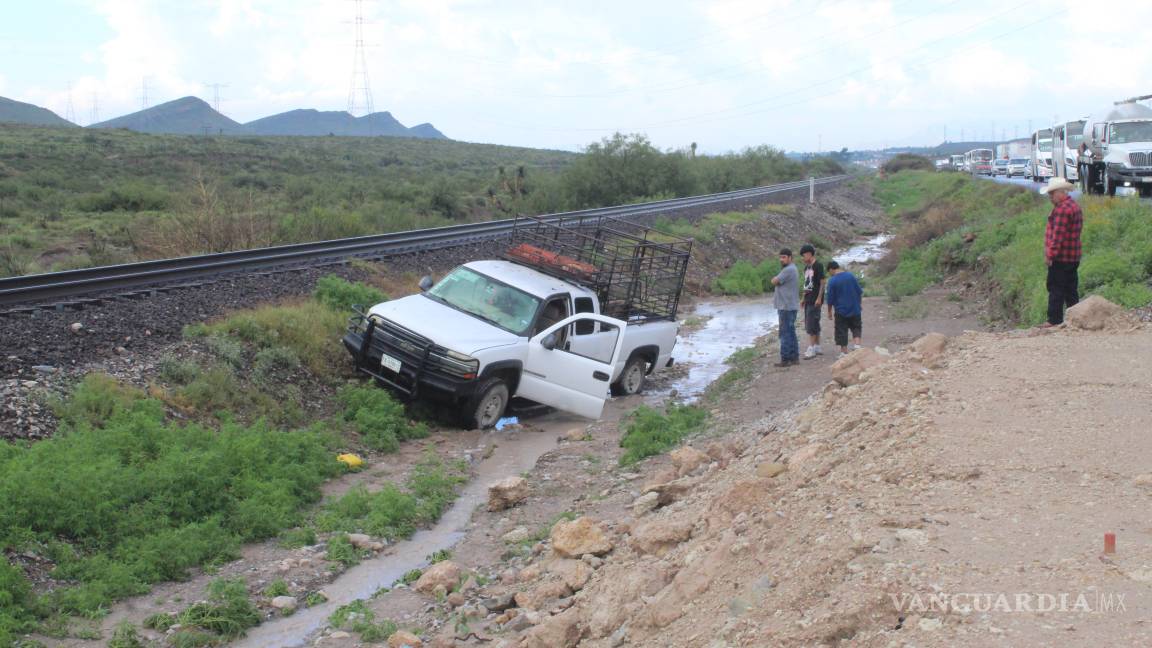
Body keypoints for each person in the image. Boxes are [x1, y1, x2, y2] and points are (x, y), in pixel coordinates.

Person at [1039, 177, 1082, 327]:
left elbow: (1057, 237)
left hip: (1061, 257)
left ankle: (1054, 320)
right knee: (1071, 288)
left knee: (1055, 287)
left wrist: (1050, 254)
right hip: (1073, 256)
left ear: (1060, 192)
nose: (1050, 197)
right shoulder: (1074, 206)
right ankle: (1075, 318)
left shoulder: (1062, 210)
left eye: (1052, 194)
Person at [824, 261, 863, 358]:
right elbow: (859, 291)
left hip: (841, 310)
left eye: (829, 272)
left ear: (831, 269)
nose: (830, 274)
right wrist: (859, 304)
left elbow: (830, 299)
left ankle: (844, 352)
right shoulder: (850, 276)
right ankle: (857, 345)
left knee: (841, 330)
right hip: (854, 307)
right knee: (856, 326)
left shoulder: (832, 281)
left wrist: (829, 311)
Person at [770, 248, 800, 367]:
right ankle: (794, 358)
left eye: (784, 257)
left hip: (786, 307)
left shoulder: (788, 270)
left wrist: (774, 279)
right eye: (780, 257)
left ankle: (785, 359)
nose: (781, 259)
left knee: (785, 333)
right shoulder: (792, 269)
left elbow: (774, 281)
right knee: (791, 332)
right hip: (790, 306)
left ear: (790, 258)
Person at [799, 244, 825, 359]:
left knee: (811, 323)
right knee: (813, 322)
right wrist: (803, 298)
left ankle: (811, 348)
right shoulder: (807, 268)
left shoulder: (818, 266)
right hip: (808, 299)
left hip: (815, 300)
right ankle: (817, 347)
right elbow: (807, 284)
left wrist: (819, 298)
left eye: (803, 255)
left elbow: (823, 282)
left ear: (809, 254)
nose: (803, 258)